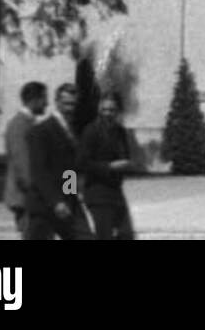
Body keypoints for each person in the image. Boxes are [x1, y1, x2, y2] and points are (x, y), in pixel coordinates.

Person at [25, 82, 93, 240]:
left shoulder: (72, 130)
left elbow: (69, 167)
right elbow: (39, 171)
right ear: (56, 102)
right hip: (44, 205)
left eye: (73, 104)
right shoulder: (40, 131)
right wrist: (56, 201)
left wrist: (71, 193)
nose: (70, 108)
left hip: (68, 202)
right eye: (66, 103)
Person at [77, 91, 137, 240]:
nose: (108, 113)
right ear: (99, 109)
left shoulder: (121, 132)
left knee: (126, 234)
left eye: (111, 110)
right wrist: (109, 167)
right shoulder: (90, 131)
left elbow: (125, 156)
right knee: (104, 236)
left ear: (117, 111)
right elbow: (81, 163)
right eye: (104, 109)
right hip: (97, 192)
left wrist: (127, 165)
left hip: (116, 191)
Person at [3, 81, 47, 236]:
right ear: (34, 100)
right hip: (26, 198)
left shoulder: (29, 123)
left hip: (32, 197)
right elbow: (22, 164)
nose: (47, 104)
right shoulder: (19, 125)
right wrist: (37, 192)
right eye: (44, 99)